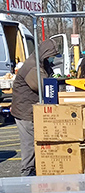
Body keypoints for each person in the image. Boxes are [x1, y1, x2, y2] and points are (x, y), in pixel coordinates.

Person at [10, 38, 59, 177]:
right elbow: (43, 86)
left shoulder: (40, 63)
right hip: (25, 111)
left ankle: (35, 170)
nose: (51, 59)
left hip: (30, 109)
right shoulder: (33, 67)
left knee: (34, 142)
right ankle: (27, 174)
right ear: (45, 53)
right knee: (29, 144)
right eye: (51, 56)